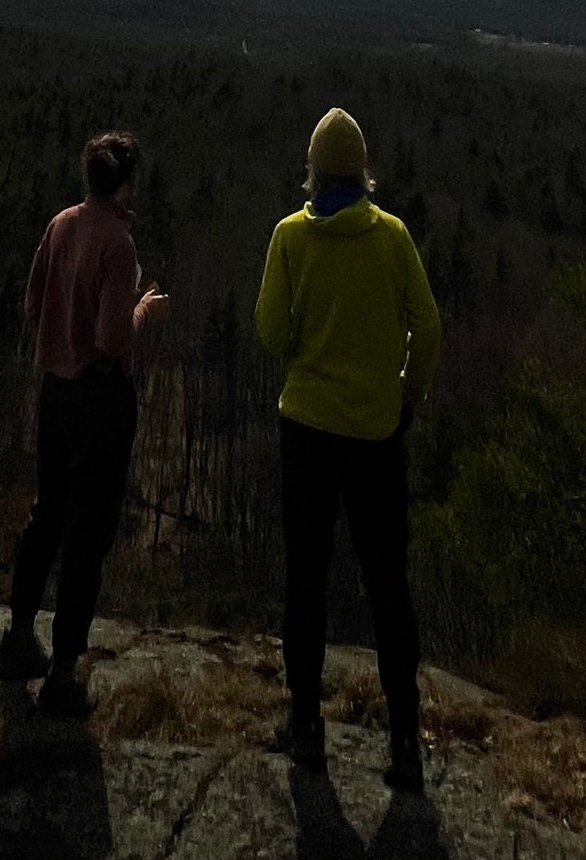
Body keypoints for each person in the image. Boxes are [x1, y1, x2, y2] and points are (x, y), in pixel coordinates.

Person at [255, 106, 441, 792]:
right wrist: (409, 394)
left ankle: (306, 724)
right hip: (375, 436)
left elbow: (271, 331)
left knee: (305, 580)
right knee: (387, 585)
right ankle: (405, 740)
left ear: (313, 170)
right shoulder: (391, 237)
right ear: (362, 173)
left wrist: (307, 348)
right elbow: (429, 324)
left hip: (306, 430)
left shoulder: (289, 237)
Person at [0, 130, 170, 715]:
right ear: (125, 183)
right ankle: (63, 673)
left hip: (54, 392)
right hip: (99, 399)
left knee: (47, 513)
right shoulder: (118, 244)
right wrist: (144, 309)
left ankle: (18, 637)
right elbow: (112, 340)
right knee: (88, 533)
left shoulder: (61, 225)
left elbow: (33, 302)